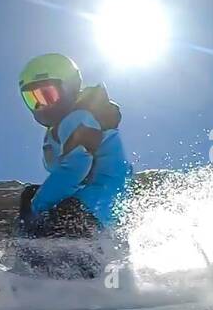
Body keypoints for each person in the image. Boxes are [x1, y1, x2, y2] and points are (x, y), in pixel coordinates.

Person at [15, 53, 131, 243]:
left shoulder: (79, 119)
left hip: (104, 197)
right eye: (32, 99)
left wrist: (37, 210)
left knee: (62, 215)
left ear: (69, 88)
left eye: (47, 95)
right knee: (31, 196)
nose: (40, 105)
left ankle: (78, 264)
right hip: (91, 196)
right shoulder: (57, 130)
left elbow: (75, 167)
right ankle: (31, 252)